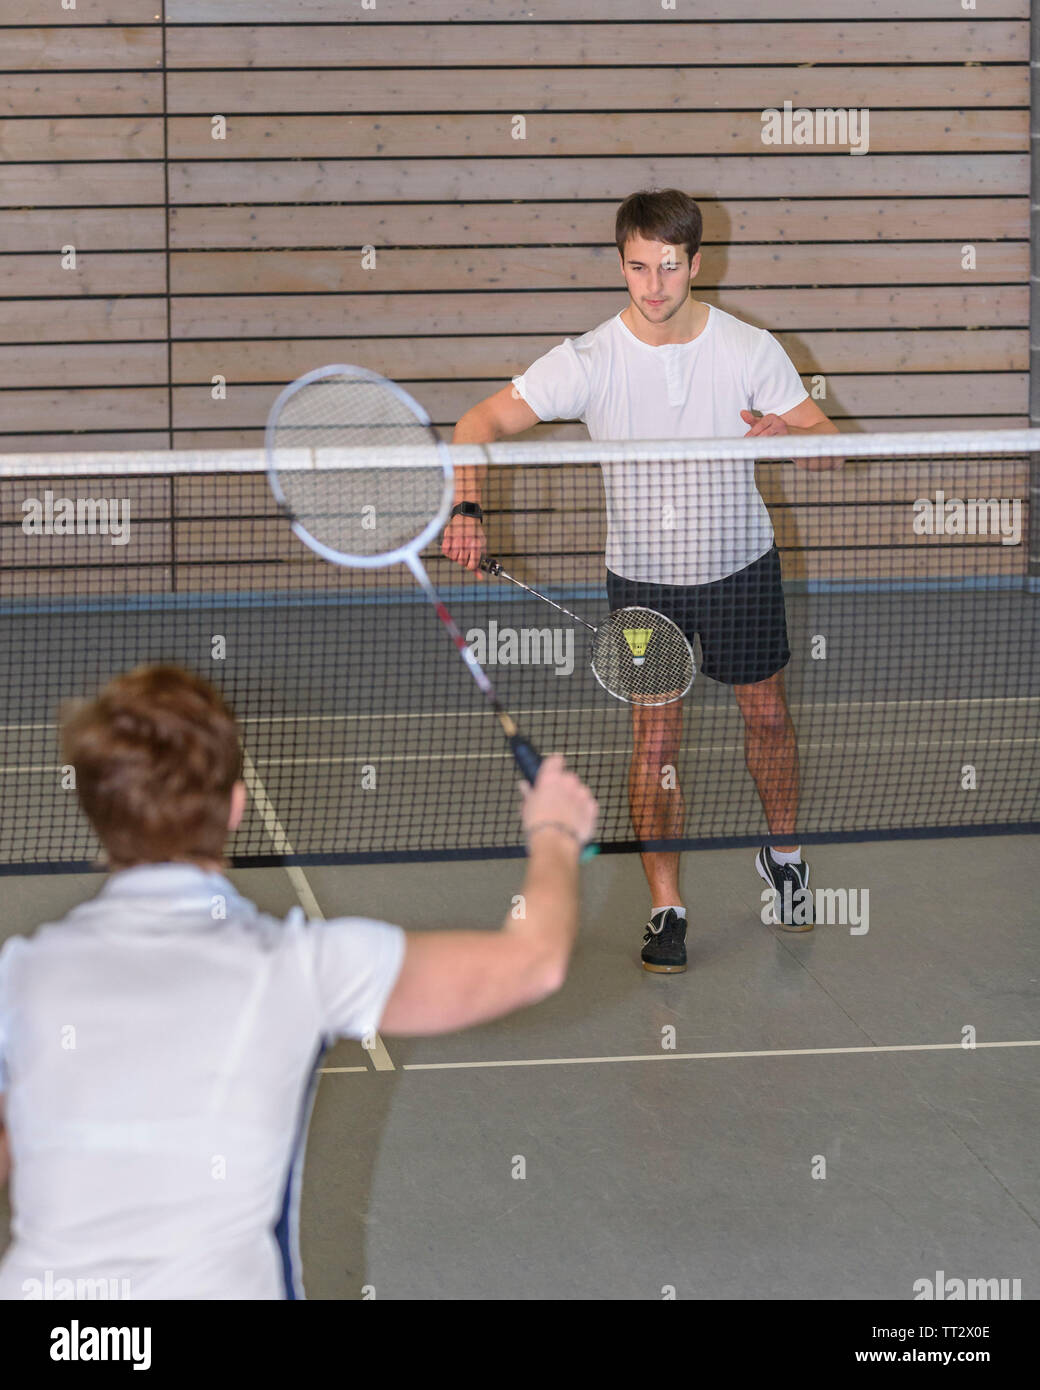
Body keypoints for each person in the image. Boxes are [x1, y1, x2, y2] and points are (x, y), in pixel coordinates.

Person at [0, 664, 597, 1300]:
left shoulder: (20, 973)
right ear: (235, 806)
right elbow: (534, 961)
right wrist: (554, 832)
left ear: (92, 810)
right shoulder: (301, 966)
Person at [442, 188, 842, 973]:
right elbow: (476, 422)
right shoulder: (589, 359)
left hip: (740, 568)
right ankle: (667, 907)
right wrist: (465, 504)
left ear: (696, 263)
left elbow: (828, 444)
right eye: (637, 268)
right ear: (620, 264)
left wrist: (789, 438)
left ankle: (786, 857)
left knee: (766, 718)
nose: (653, 286)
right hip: (644, 584)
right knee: (655, 738)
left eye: (668, 267)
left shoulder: (748, 348)